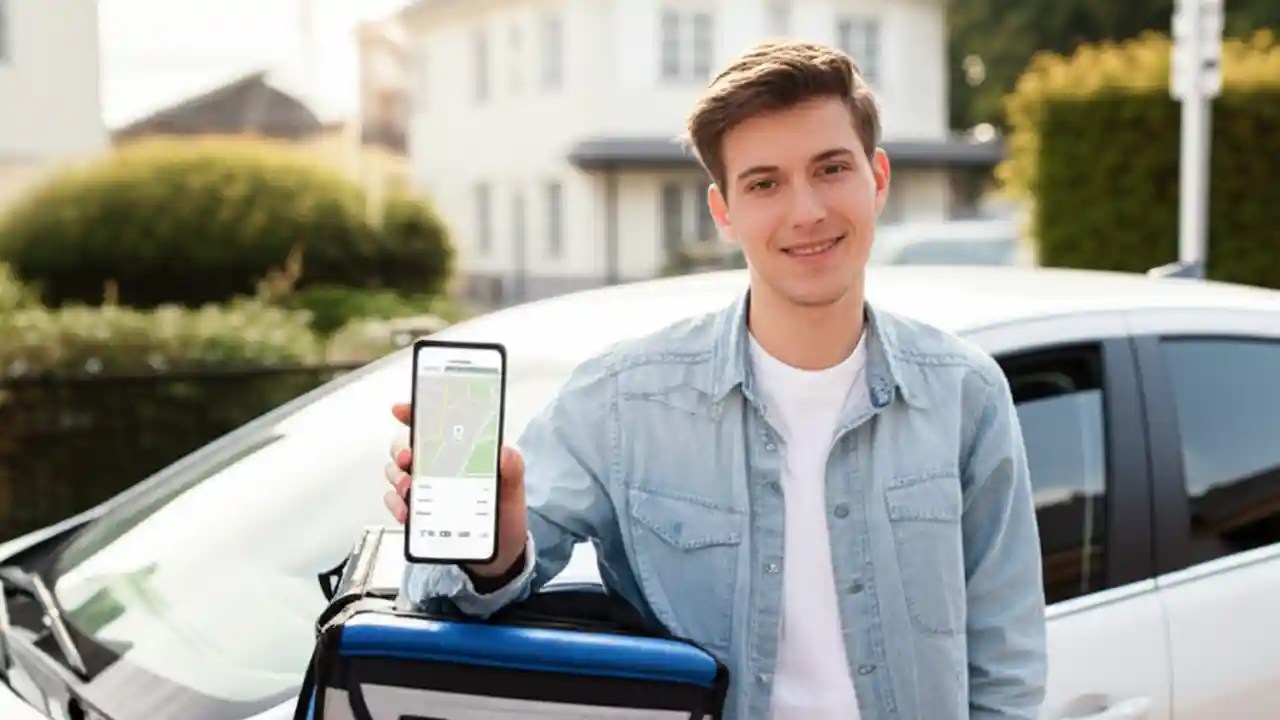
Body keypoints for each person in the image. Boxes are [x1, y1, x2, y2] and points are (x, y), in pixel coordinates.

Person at [382, 40, 1046, 720]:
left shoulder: (968, 395)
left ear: (877, 178)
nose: (807, 210)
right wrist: (491, 549)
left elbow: (1006, 666)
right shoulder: (622, 401)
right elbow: (435, 596)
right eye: (764, 183)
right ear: (723, 210)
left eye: (831, 168)